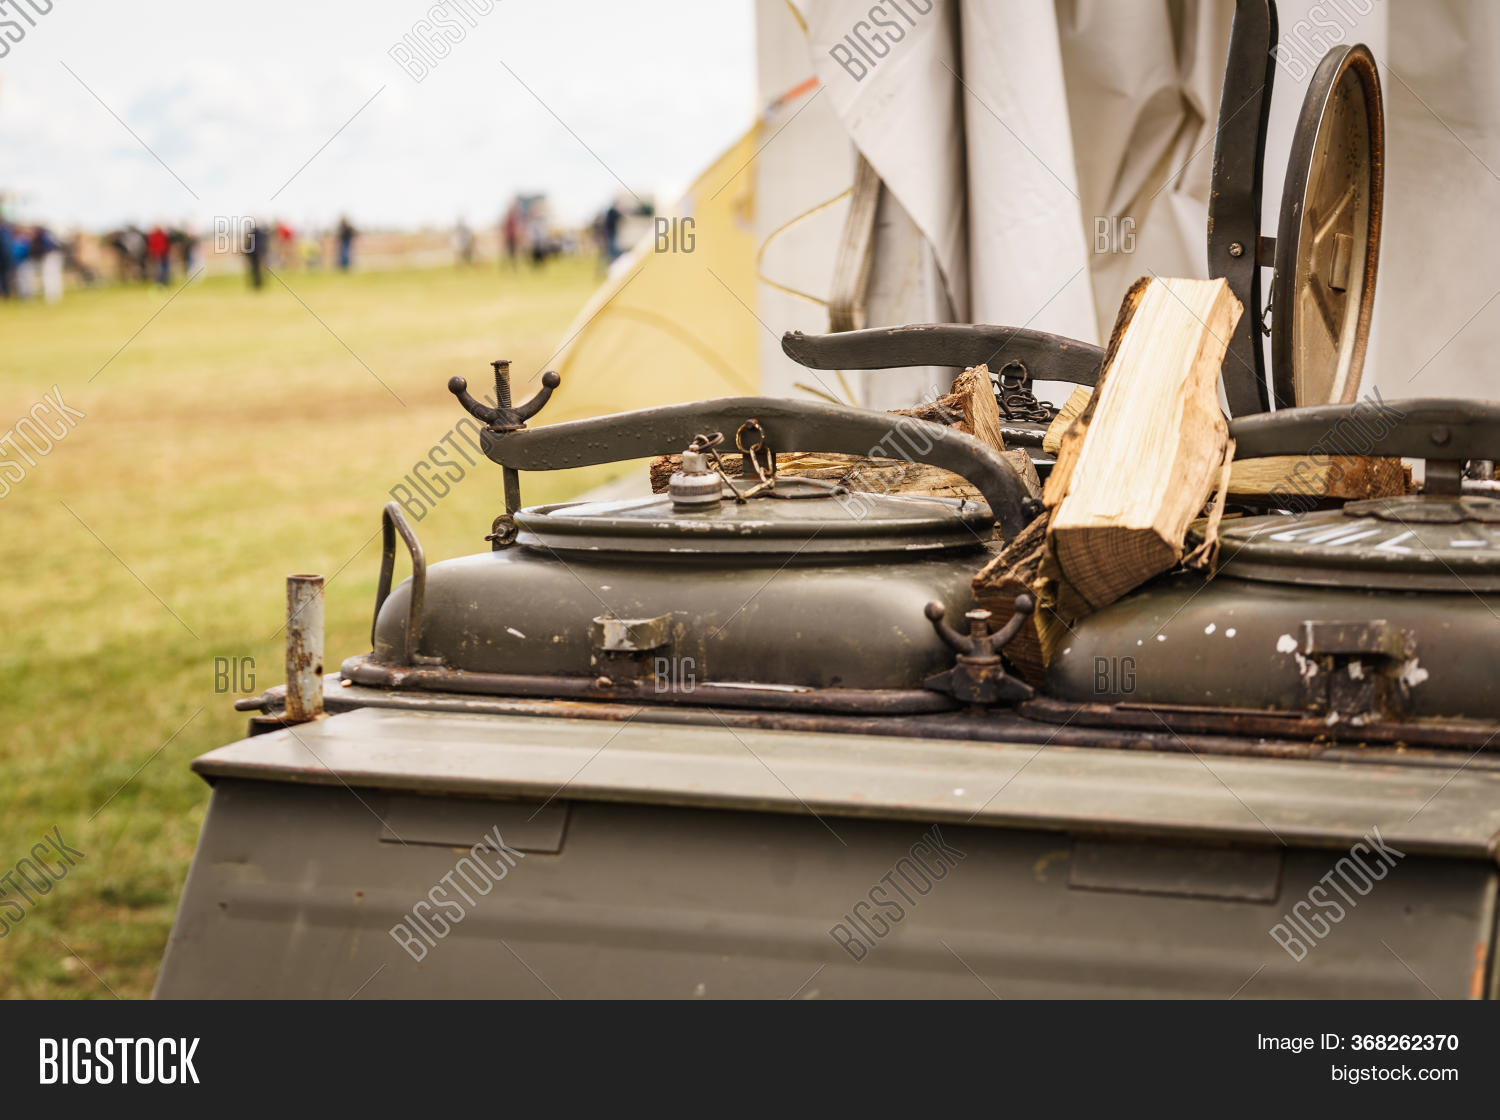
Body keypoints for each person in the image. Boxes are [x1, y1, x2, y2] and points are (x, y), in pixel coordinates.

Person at [33, 226, 63, 303]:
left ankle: (51, 297)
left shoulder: (42, 237)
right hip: (54, 256)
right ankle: (54, 296)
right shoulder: (49, 236)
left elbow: (47, 247)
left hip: (49, 257)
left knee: (49, 277)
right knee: (54, 276)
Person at [244, 218, 267, 289]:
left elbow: (248, 244)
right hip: (256, 253)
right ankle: (258, 283)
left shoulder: (253, 232)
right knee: (257, 269)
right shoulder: (261, 232)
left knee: (255, 269)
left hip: (255, 254)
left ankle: (258, 284)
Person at [502, 202, 521, 269]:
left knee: (514, 254)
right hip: (509, 238)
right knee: (508, 253)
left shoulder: (515, 218)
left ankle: (513, 267)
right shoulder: (508, 218)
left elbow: (517, 229)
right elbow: (505, 228)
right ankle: (505, 267)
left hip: (513, 238)